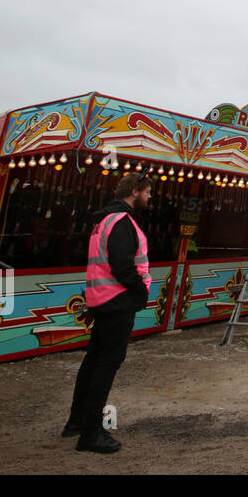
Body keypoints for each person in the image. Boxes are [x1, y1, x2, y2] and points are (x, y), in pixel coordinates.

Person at [65, 172, 153, 454]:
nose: (149, 197)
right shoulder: (121, 221)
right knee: (107, 363)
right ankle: (91, 432)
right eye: (147, 192)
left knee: (93, 361)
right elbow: (121, 264)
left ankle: (77, 421)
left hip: (100, 298)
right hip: (117, 299)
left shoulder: (103, 220)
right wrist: (140, 291)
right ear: (136, 190)